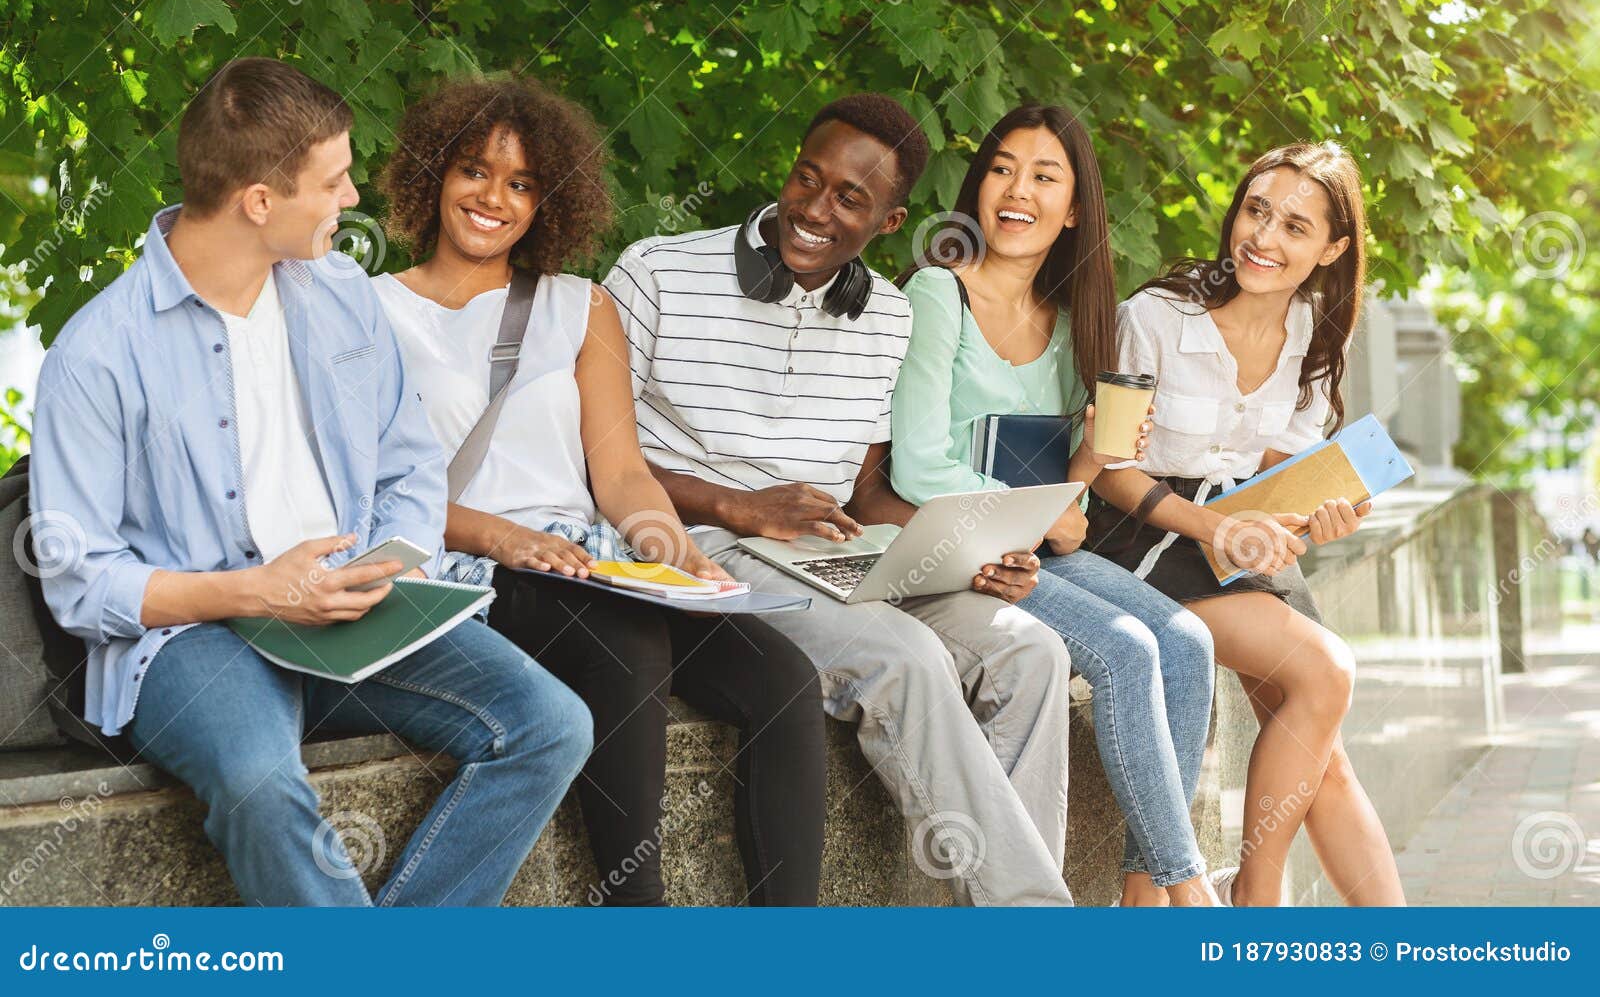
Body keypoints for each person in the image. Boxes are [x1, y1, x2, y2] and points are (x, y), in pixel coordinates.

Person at [28, 58, 591, 907]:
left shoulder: (338, 294)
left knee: (551, 725)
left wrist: (388, 562)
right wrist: (251, 590)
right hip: (196, 637)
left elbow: (407, 462)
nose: (355, 197)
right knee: (258, 779)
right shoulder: (99, 352)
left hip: (352, 604)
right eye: (333, 181)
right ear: (260, 202)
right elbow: (78, 579)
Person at [605, 93, 1077, 906]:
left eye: (849, 198)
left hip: (833, 548)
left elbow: (865, 491)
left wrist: (967, 550)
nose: (815, 208)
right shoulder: (655, 271)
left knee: (1031, 650)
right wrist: (740, 506)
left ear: (891, 221)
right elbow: (596, 459)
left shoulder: (889, 316)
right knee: (906, 658)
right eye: (806, 178)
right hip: (693, 547)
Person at [374, 76, 826, 906]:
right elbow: (367, 494)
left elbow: (619, 473)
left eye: (521, 183)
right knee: (627, 644)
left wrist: (670, 545)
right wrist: (505, 538)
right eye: (474, 170)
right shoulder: (368, 311)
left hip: (588, 562)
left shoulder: (581, 307)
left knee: (785, 677)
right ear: (433, 173)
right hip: (463, 563)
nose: (493, 198)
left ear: (548, 203)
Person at [890, 104, 1218, 906]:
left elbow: (1072, 487)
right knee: (1125, 649)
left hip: (1036, 546)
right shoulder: (938, 294)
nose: (1017, 190)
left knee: (1186, 637)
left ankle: (1145, 893)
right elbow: (917, 464)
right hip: (954, 547)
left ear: (1074, 210)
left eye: (1044, 176)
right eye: (1002, 168)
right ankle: (1191, 890)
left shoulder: (1073, 325)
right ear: (976, 188)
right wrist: (1044, 517)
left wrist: (1097, 459)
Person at [1086, 142, 1405, 906]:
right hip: (1146, 533)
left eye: (1296, 226)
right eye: (1257, 211)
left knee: (1323, 755)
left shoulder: (1313, 334)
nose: (1264, 238)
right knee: (1326, 671)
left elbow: (1276, 475)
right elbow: (1108, 466)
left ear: (1331, 249)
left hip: (1236, 538)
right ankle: (1257, 908)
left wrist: (1329, 515)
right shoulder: (1154, 318)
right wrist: (1213, 530)